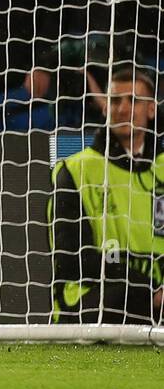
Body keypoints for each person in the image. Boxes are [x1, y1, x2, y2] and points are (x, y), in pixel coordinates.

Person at [50, 66, 164, 324]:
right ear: (104, 108)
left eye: (133, 100)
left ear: (151, 110)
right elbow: (70, 260)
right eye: (114, 100)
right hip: (91, 297)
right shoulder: (76, 170)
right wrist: (144, 286)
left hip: (155, 296)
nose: (122, 109)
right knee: (125, 295)